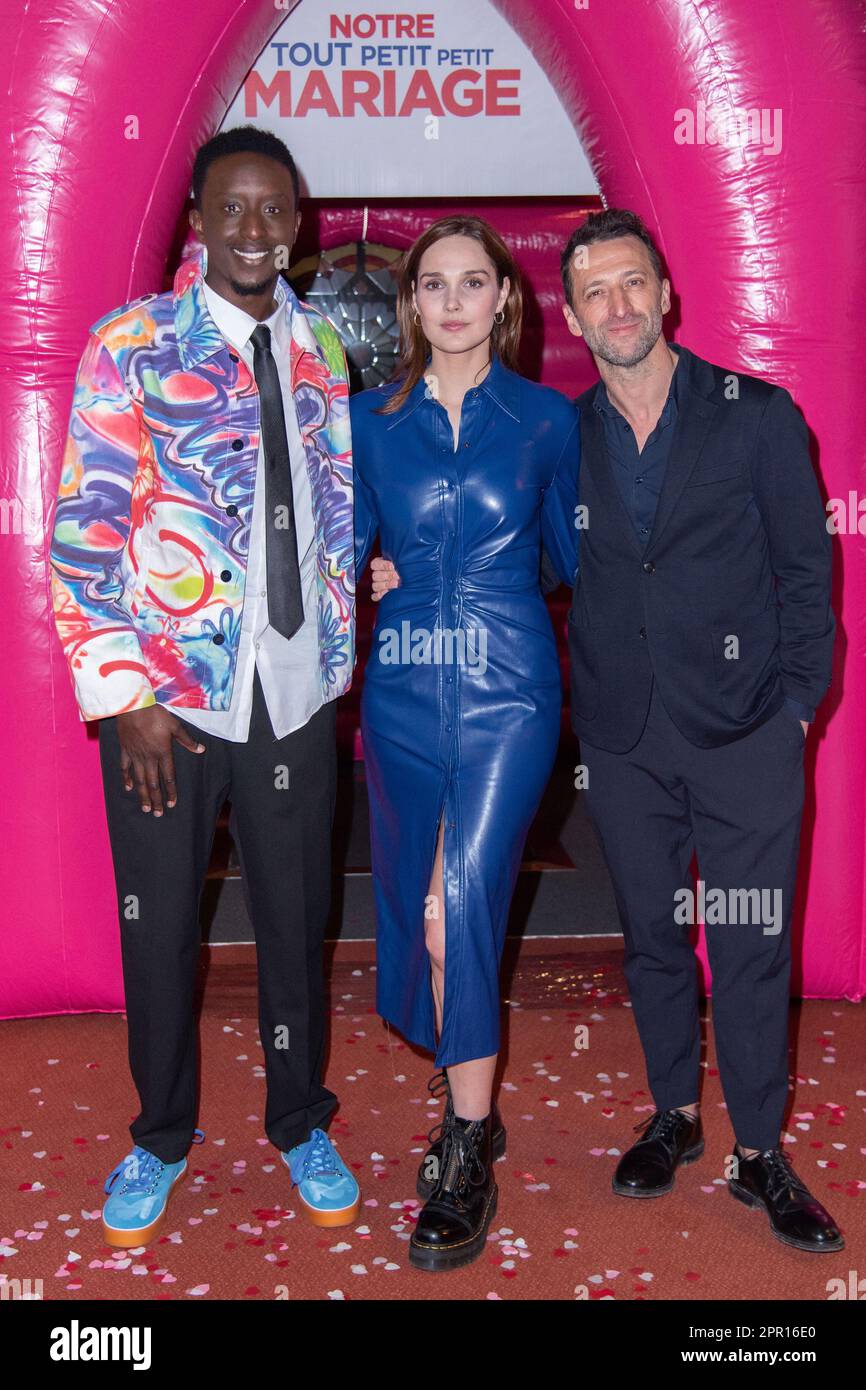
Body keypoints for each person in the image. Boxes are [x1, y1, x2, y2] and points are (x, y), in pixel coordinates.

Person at [49, 126, 360, 1247]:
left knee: (297, 917)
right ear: (195, 220)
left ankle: (298, 1116)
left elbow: (327, 499)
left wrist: (339, 625)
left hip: (296, 693)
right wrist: (123, 693)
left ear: (298, 222)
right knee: (160, 927)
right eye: (231, 209)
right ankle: (160, 1134)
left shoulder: (322, 344)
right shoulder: (130, 344)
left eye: (274, 210)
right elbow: (83, 534)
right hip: (168, 707)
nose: (254, 231)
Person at [556, 207, 841, 1252]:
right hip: (625, 742)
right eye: (595, 291)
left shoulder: (754, 415)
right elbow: (532, 559)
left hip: (743, 740)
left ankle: (758, 1148)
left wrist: (791, 714)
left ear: (665, 294)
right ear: (575, 316)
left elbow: (807, 578)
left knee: (751, 943)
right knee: (651, 941)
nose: (618, 305)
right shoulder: (566, 435)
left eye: (633, 284)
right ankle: (672, 1112)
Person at [351, 215, 580, 1271]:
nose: (451, 300)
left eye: (471, 281)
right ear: (413, 303)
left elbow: (579, 557)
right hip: (400, 695)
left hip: (509, 694)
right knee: (420, 911)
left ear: (503, 299)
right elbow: (338, 552)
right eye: (431, 283)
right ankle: (472, 1109)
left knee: (459, 910)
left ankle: (462, 1145)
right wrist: (369, 576)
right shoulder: (369, 422)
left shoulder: (545, 423)